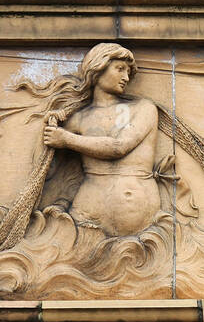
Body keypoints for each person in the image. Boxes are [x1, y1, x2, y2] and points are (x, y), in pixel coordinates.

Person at [37, 43, 161, 238]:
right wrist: (51, 130)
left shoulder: (143, 109)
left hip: (138, 223)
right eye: (119, 69)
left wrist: (66, 139)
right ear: (97, 69)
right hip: (85, 216)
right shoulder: (78, 118)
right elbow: (52, 168)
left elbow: (119, 147)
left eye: (128, 72)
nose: (126, 78)